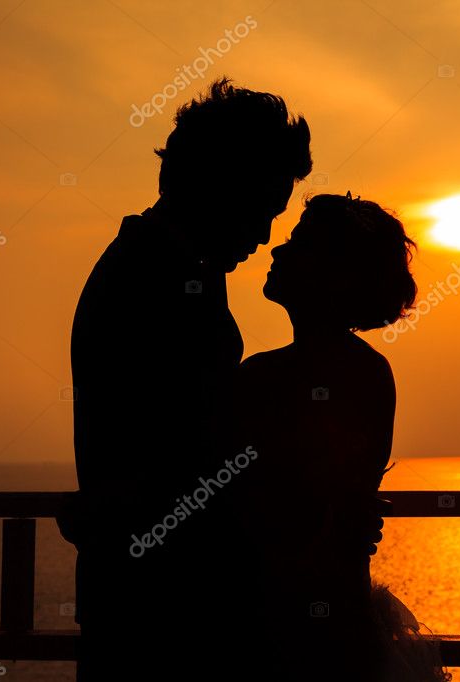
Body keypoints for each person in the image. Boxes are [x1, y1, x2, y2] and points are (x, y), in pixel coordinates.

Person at [61, 76, 314, 679]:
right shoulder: (156, 278)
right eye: (263, 210)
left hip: (151, 593)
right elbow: (186, 452)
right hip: (166, 608)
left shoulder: (169, 264)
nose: (263, 237)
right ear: (219, 185)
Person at [225, 193, 451, 681]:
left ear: (335, 275)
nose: (277, 251)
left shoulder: (282, 376)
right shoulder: (362, 370)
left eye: (300, 245)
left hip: (298, 631)